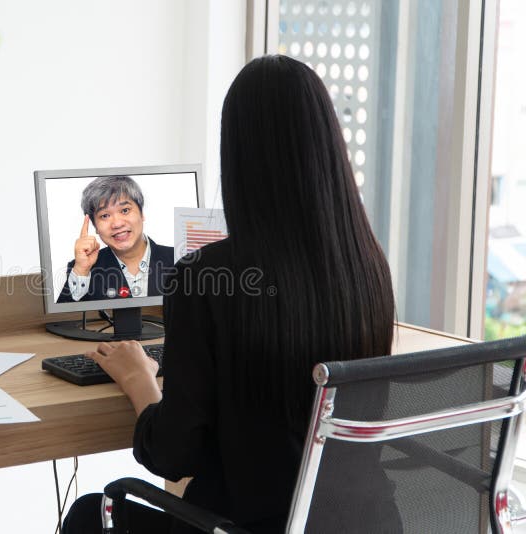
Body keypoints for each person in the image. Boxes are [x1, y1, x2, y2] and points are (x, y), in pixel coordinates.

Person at [62, 55, 399, 533]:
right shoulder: (367, 265)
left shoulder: (205, 276)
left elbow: (175, 455)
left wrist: (141, 378)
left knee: (89, 514)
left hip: (243, 525)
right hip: (362, 522)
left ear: (238, 155)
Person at [55, 175, 174, 303]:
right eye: (105, 215)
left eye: (125, 210)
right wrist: (81, 271)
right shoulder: (83, 268)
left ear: (141, 213)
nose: (117, 224)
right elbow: (62, 322)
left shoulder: (179, 259)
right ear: (94, 225)